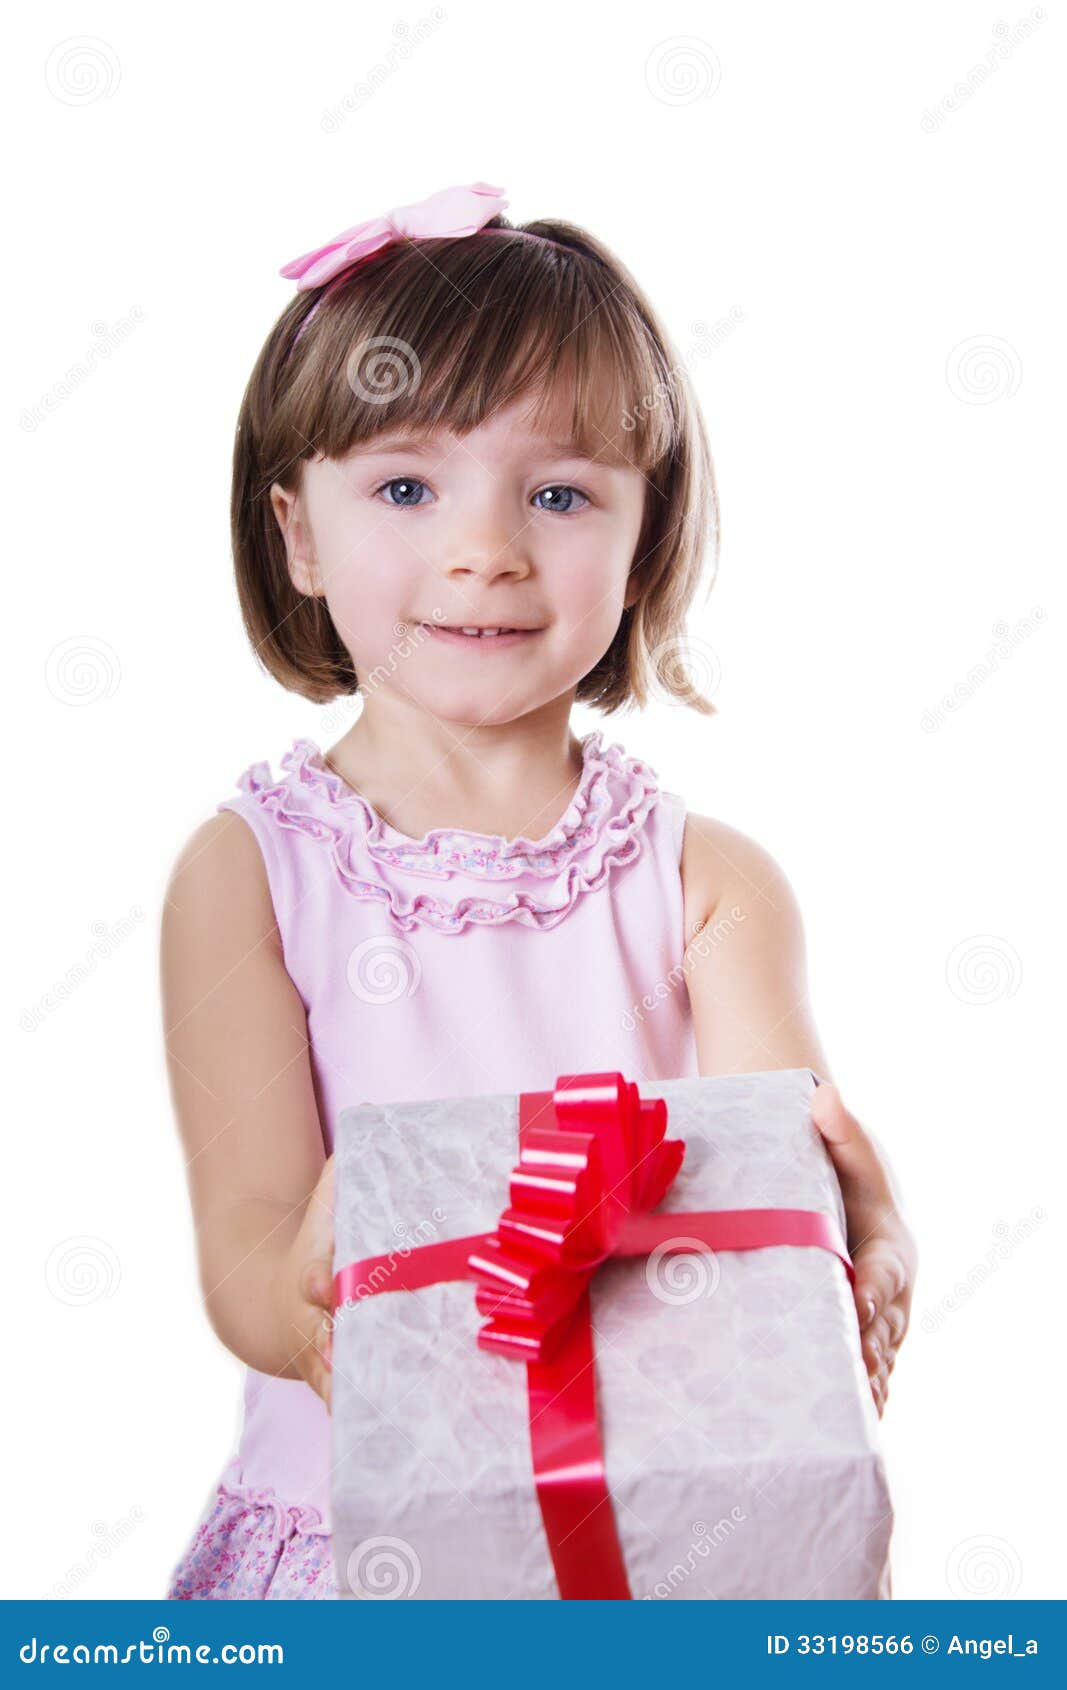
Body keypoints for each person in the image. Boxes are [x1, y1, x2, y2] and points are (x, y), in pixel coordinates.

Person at [161, 182, 916, 1599]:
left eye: (559, 495)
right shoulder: (250, 871)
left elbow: (768, 1193)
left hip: (664, 1539)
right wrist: (318, 1309)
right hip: (361, 1540)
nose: (486, 550)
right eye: (406, 488)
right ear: (298, 534)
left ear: (644, 538)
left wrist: (855, 1242)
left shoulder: (709, 882)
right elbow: (248, 1242)